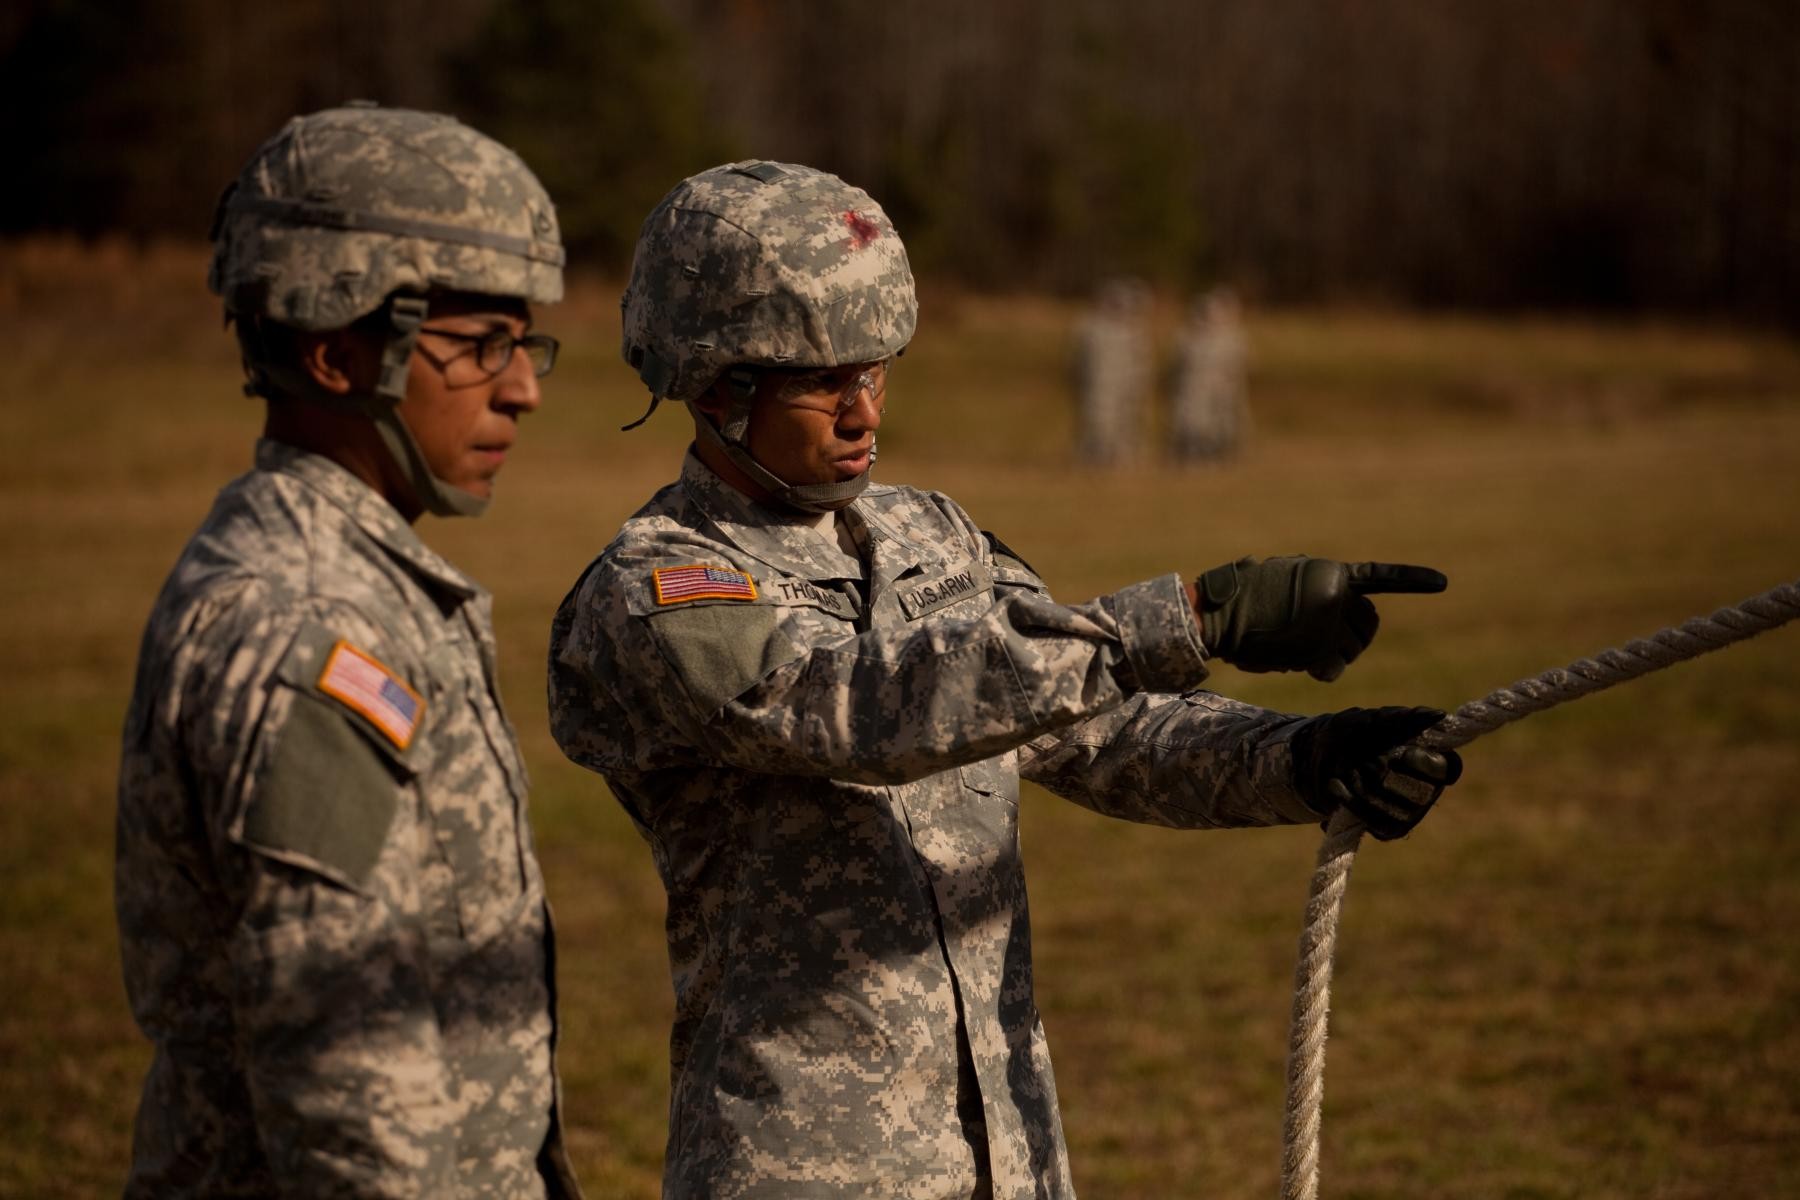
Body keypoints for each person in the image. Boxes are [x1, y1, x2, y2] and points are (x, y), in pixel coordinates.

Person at [547, 160, 1461, 1199]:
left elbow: (1094, 732)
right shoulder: (658, 590)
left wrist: (1304, 758)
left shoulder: (933, 535)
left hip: (1011, 1155)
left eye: (877, 369)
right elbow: (866, 710)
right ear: (715, 383)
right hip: (805, 1169)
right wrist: (1192, 618)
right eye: (822, 379)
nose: (862, 412)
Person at [115, 103, 582, 1198]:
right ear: (335, 354)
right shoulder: (303, 624)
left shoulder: (367, 585)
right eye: (482, 347)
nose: (524, 387)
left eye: (526, 342)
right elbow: (344, 1075)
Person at [1071, 276, 1152, 466]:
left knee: (1125, 425)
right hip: (1097, 387)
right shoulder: (1091, 328)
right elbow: (1079, 361)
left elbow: (1141, 363)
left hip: (1124, 389)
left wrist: (1138, 385)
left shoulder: (1134, 331)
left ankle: (1121, 462)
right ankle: (1092, 461)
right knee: (1096, 424)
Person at [1169, 286, 1249, 464]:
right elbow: (1179, 367)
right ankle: (1190, 455)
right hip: (1194, 391)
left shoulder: (1233, 340)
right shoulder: (1187, 338)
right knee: (1192, 423)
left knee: (1223, 425)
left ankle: (1221, 455)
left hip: (1222, 392)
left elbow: (1238, 369)